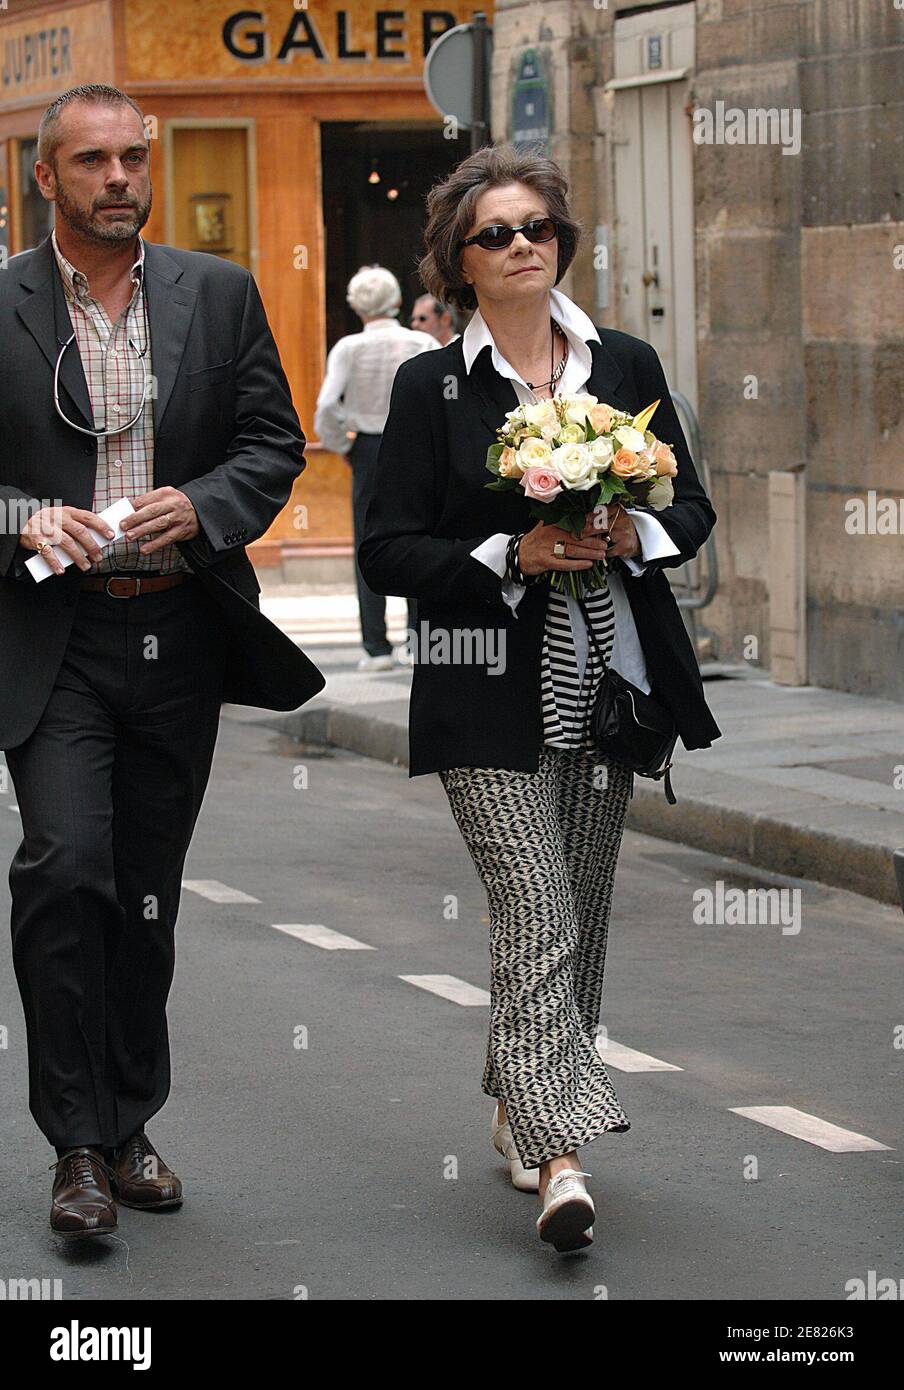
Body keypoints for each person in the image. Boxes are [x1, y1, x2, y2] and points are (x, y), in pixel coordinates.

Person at [359, 144, 721, 1252]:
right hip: (482, 681)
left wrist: (630, 530)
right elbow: (386, 548)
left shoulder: (623, 360)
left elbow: (691, 507)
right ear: (457, 259)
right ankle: (562, 1150)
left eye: (537, 229)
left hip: (609, 681)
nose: (521, 246)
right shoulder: (431, 385)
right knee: (537, 905)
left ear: (560, 240)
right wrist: (511, 552)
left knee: (584, 906)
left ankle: (520, 1097)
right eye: (495, 234)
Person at [0, 84, 323, 1238]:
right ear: (47, 178)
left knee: (142, 893)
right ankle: (75, 1145)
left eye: (134, 157)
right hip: (55, 636)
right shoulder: (4, 303)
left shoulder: (219, 293)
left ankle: (131, 1123)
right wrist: (24, 518)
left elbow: (272, 441)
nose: (120, 178)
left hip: (176, 628)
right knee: (63, 864)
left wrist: (207, 504)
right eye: (93, 162)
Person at [314, 267, 438, 671]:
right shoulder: (421, 340)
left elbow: (327, 406)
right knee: (422, 535)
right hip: (418, 446)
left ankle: (376, 647)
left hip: (368, 446)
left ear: (355, 306)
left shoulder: (348, 348)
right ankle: (418, 639)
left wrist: (341, 446)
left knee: (369, 541)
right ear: (397, 301)